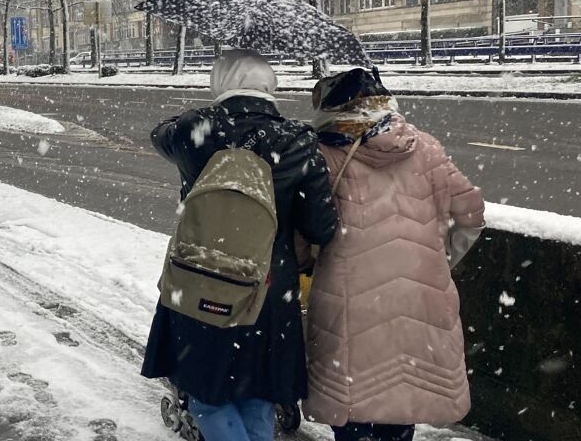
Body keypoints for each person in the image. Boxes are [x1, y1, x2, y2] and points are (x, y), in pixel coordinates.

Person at [143, 49, 339, 441]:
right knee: (259, 394)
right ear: (270, 87)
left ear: (219, 84)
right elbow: (323, 226)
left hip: (201, 279)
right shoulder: (299, 141)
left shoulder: (193, 131)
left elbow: (158, 134)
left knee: (208, 394)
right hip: (268, 288)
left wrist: (194, 116)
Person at [304, 68, 484, 441]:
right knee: (402, 402)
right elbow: (472, 213)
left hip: (350, 300)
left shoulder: (325, 153)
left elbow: (306, 230)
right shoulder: (426, 147)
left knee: (353, 407)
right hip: (419, 297)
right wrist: (438, 259)